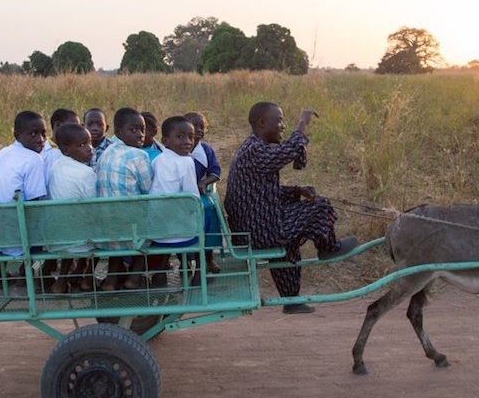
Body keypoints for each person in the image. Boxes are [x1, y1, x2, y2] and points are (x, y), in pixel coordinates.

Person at [224, 102, 358, 314]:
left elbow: (260, 194)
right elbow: (289, 151)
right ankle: (328, 248)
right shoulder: (254, 150)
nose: (282, 126)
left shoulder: (251, 148)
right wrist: (302, 123)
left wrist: (297, 190)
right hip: (260, 232)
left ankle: (291, 300)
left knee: (290, 242)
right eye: (278, 120)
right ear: (261, 123)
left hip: (254, 229)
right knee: (320, 207)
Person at [0, 110, 49, 288]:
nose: (40, 139)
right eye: (33, 133)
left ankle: (2, 274)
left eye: (44, 133)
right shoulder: (34, 159)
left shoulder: (2, 153)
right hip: (16, 231)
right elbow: (36, 203)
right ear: (17, 135)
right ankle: (26, 272)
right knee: (43, 225)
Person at [95, 107, 153, 290]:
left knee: (119, 222)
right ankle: (134, 277)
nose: (140, 134)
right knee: (155, 226)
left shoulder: (106, 153)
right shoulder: (140, 155)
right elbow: (149, 192)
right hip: (132, 228)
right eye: (133, 129)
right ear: (119, 132)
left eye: (142, 129)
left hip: (105, 228)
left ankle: (111, 279)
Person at [149, 115, 199, 288]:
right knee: (206, 218)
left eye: (190, 137)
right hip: (181, 235)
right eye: (180, 136)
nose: (187, 141)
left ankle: (162, 270)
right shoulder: (186, 162)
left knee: (170, 217)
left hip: (157, 232)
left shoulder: (157, 159)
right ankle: (198, 268)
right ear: (166, 140)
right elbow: (192, 199)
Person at [47, 123, 97, 293]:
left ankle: (62, 280)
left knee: (73, 225)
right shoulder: (87, 173)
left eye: (89, 143)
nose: (89, 149)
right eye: (82, 145)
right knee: (103, 230)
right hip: (80, 240)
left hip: (57, 238)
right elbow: (94, 206)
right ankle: (88, 278)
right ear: (66, 150)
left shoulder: (55, 167)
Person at [184, 111, 222, 274]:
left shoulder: (205, 149)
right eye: (195, 126)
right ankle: (184, 261)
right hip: (182, 196)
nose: (199, 129)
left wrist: (204, 182)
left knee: (209, 212)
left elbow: (216, 172)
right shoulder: (178, 147)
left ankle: (208, 257)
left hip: (200, 194)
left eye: (202, 126)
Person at [42, 108, 80, 177]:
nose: (76, 131)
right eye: (73, 127)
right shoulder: (42, 150)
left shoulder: (77, 149)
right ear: (57, 125)